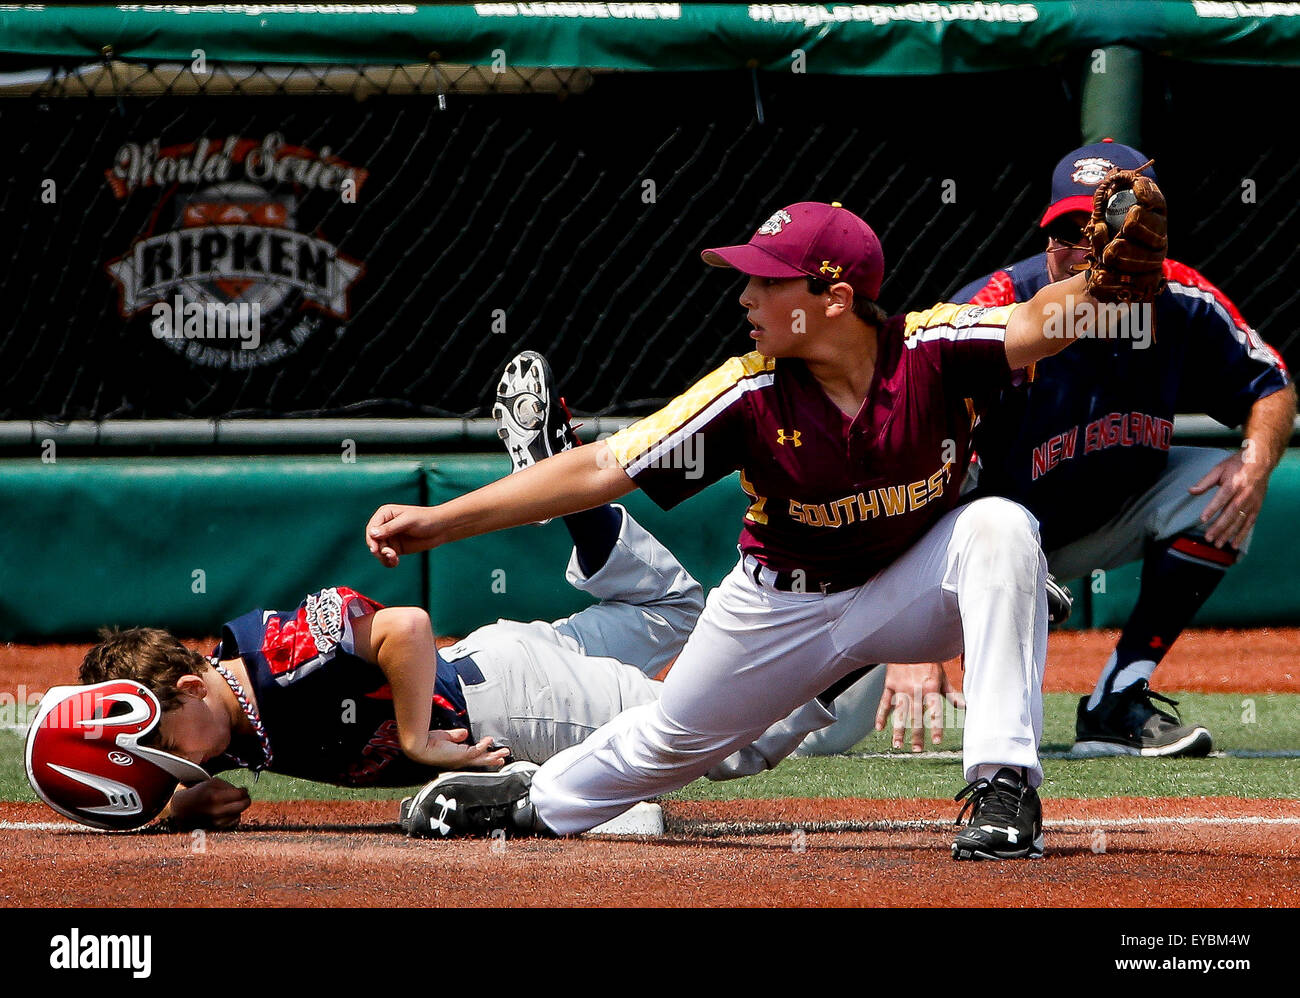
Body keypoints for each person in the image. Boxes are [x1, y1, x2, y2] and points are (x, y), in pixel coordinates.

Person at [366, 193, 1169, 860]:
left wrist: (1099, 288)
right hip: (780, 605)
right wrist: (441, 522)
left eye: (767, 282)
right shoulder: (747, 392)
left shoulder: (930, 349)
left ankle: (1004, 790)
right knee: (674, 745)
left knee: (1001, 527)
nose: (746, 298)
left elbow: (1037, 323)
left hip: (902, 588)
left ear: (835, 298)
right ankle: (531, 796)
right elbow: (599, 468)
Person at [25, 358, 838, 832]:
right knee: (668, 616)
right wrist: (179, 800)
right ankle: (561, 484)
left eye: (174, 751)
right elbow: (204, 745)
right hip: (501, 672)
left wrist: (414, 737)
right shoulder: (221, 700)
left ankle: (846, 622)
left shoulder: (272, 668)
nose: (183, 765)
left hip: (514, 710)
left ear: (191, 686)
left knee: (724, 740)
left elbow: (404, 626)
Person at [943, 140, 1293, 758]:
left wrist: (1257, 463)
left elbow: (1271, 385)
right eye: (1068, 233)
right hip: (965, 549)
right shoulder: (994, 310)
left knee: (1221, 480)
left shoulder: (1180, 302)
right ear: (1046, 236)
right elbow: (917, 467)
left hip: (1101, 516)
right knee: (810, 734)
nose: (1085, 252)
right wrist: (909, 652)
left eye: (1103, 232)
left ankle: (1119, 695)